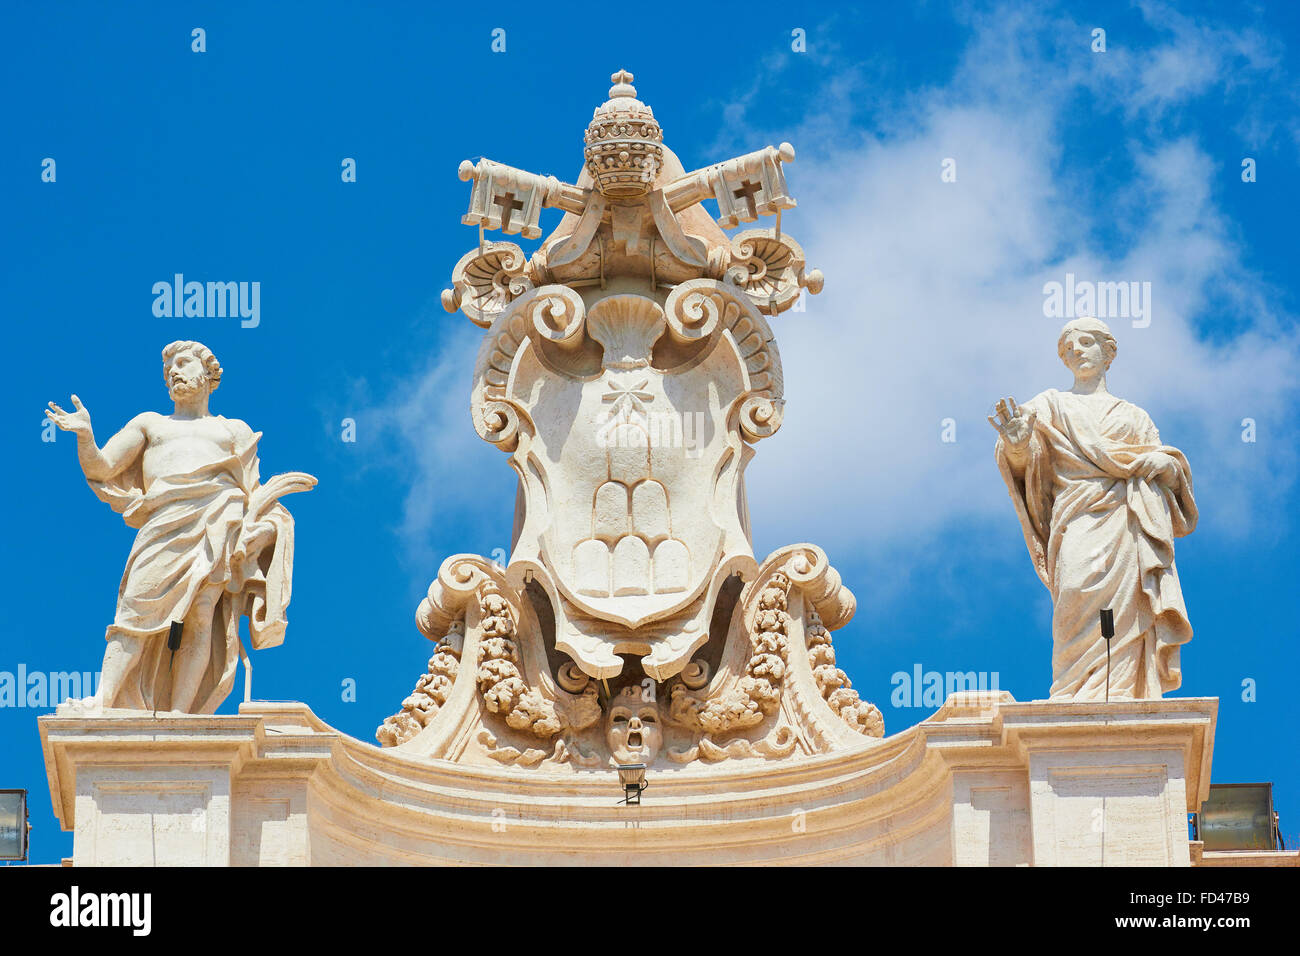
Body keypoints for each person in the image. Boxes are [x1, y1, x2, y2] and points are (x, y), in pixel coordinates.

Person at [46, 341, 314, 713]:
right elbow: (102, 468)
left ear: (208, 372)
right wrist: (86, 438)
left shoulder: (233, 430)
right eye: (168, 368)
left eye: (183, 363)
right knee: (135, 606)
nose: (173, 371)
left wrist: (268, 529)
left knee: (201, 615)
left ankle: (181, 714)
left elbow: (254, 495)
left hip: (218, 521)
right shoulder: (150, 424)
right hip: (163, 523)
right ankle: (102, 700)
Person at [988, 317, 1197, 700]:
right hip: (1077, 516)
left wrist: (1163, 465)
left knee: (1129, 607)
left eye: (1085, 343)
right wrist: (1016, 443)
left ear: (1108, 352)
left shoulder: (1134, 416)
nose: (1076, 352)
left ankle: (1125, 690)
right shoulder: (1051, 404)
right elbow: (1021, 452)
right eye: (1068, 348)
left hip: (1127, 519)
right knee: (1075, 589)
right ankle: (1074, 691)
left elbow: (1168, 468)